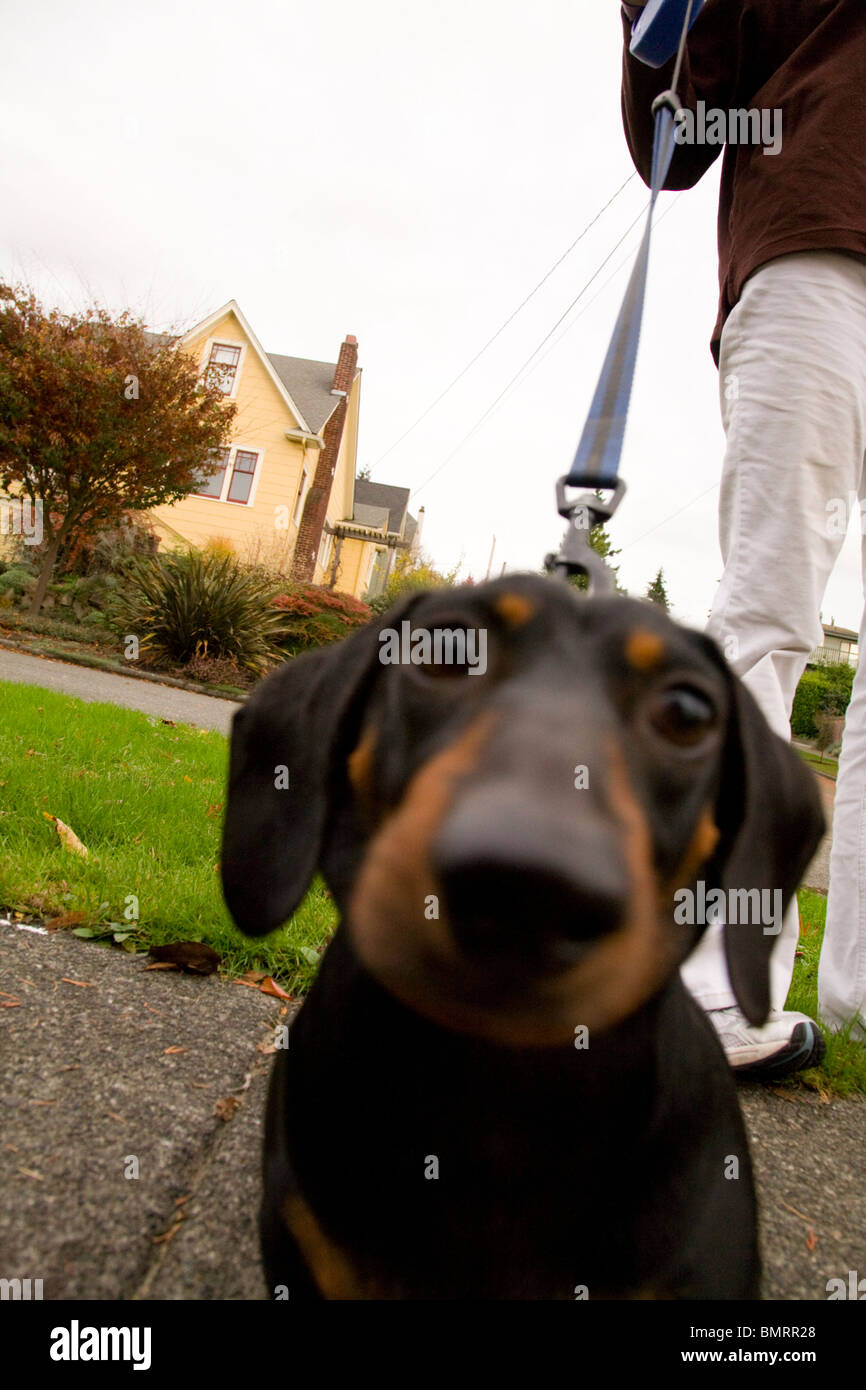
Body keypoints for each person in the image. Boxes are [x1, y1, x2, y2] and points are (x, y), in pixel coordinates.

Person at [618, 0, 866, 1075]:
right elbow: (674, 139)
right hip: (816, 239)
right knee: (768, 612)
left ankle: (860, 1000)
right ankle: (722, 984)